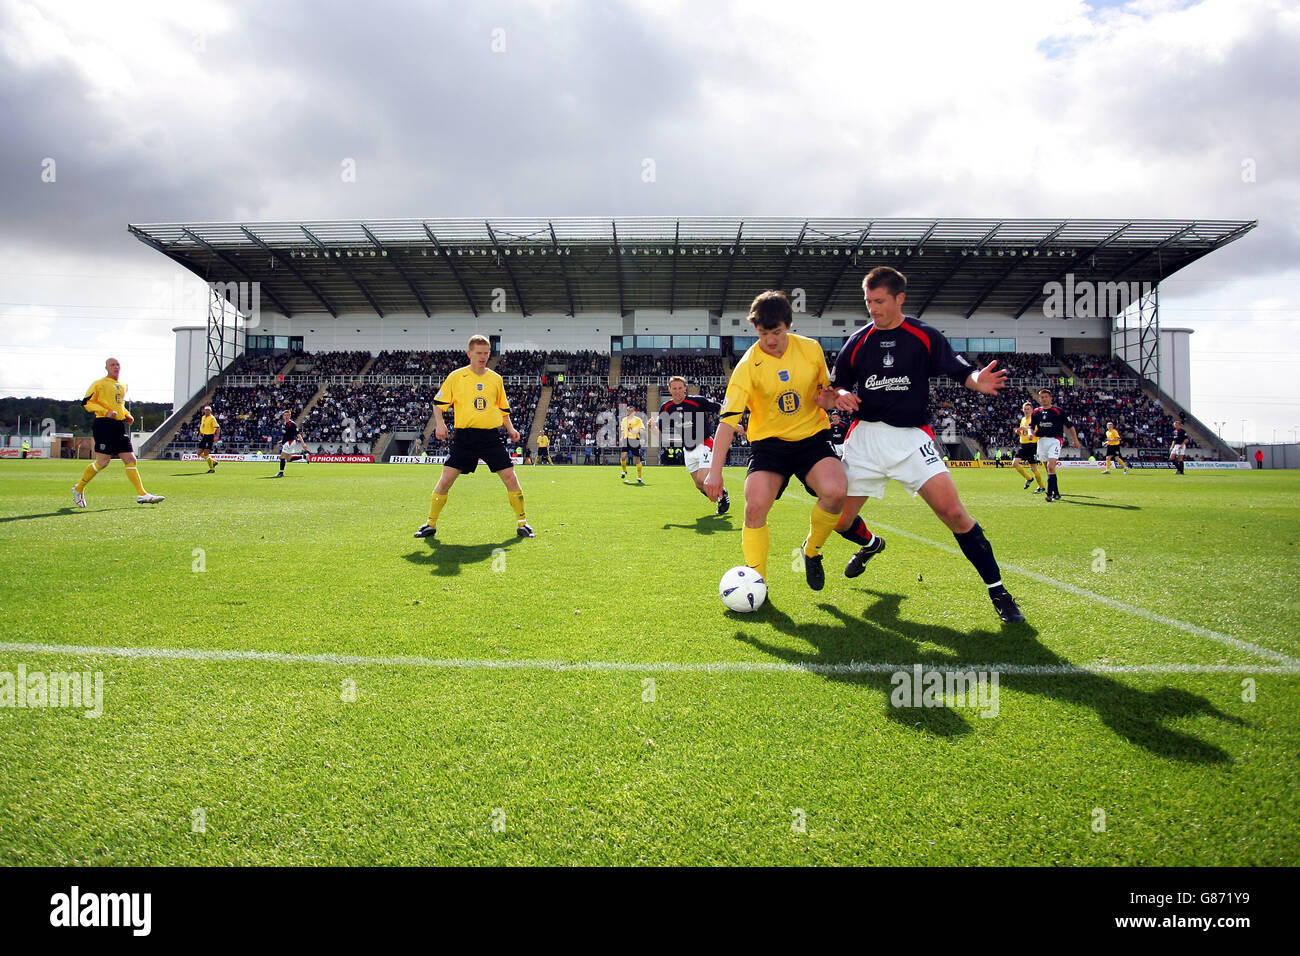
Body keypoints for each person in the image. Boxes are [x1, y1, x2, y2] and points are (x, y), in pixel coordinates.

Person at [825, 266, 1024, 624]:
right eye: (868, 301)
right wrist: (840, 394)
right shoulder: (857, 341)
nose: (873, 308)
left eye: (880, 301)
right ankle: (872, 545)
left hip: (911, 439)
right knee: (838, 521)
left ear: (900, 299)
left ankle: (1000, 593)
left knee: (955, 515)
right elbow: (833, 386)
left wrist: (978, 381)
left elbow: (963, 372)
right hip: (866, 438)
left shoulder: (924, 336)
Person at [703, 290, 846, 592]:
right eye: (764, 332)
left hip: (812, 438)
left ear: (789, 325)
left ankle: (811, 550)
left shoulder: (811, 350)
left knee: (836, 492)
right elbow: (728, 422)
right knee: (754, 507)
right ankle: (758, 583)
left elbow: (825, 395)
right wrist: (715, 473)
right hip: (770, 446)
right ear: (755, 328)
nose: (770, 339)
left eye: (777, 332)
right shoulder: (746, 367)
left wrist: (830, 399)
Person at [414, 335, 534, 539]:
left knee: (510, 478)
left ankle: (523, 523)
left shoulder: (496, 379)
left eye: (486, 353)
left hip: (490, 437)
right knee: (446, 480)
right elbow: (438, 404)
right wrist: (441, 424)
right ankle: (430, 523)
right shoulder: (456, 377)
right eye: (479, 353)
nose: (483, 357)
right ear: (469, 354)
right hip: (465, 438)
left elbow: (503, 409)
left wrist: (511, 429)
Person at [72, 357, 165, 506]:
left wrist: (126, 413)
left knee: (131, 459)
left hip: (118, 426)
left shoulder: (123, 385)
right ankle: (79, 487)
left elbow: (118, 404)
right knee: (103, 462)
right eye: (112, 365)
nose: (116, 367)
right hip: (103, 424)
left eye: (117, 365)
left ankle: (142, 494)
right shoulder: (99, 384)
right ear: (107, 367)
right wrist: (104, 411)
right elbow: (86, 403)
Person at [653, 375, 730, 516]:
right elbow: (659, 430)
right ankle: (722, 496)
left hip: (705, 444)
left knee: (703, 479)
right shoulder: (667, 407)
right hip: (687, 449)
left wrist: (733, 422)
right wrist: (651, 426)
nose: (677, 391)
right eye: (674, 388)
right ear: (669, 390)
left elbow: (719, 408)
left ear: (685, 389)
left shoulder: (697, 401)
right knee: (699, 485)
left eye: (680, 388)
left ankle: (721, 494)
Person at [1029, 388, 1081, 501]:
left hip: (1055, 440)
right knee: (1049, 470)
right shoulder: (1036, 412)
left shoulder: (1058, 411)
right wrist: (1030, 433)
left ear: (1050, 398)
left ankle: (1049, 494)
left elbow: (1070, 425)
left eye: (1046, 397)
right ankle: (1056, 493)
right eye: (1041, 397)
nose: (1043, 399)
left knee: (1051, 467)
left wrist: (1075, 439)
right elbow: (1031, 426)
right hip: (1042, 441)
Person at [1012, 402, 1046, 493]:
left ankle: (1041, 486)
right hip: (1023, 445)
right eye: (1025, 409)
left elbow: (1037, 432)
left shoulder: (1034, 419)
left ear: (1032, 410)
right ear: (1022, 410)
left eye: (1028, 409)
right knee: (1015, 463)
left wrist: (1025, 429)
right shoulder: (1023, 419)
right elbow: (1023, 432)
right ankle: (1029, 478)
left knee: (1033, 468)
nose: (1026, 411)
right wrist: (1018, 431)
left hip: (1032, 445)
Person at [272, 410, 310, 477]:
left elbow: (298, 434)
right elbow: (286, 434)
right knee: (289, 459)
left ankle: (281, 473)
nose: (286, 416)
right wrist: (282, 441)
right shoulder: (284, 424)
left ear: (290, 416)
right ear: (283, 416)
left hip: (290, 442)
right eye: (285, 415)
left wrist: (303, 443)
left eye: (288, 415)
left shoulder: (292, 424)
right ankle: (304, 456)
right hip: (287, 442)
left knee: (282, 457)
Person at [620, 406, 647, 483]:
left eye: (631, 411)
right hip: (626, 439)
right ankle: (624, 471)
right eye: (628, 411)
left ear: (634, 412)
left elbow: (642, 430)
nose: (630, 412)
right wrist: (622, 437)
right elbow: (623, 430)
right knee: (623, 457)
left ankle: (639, 477)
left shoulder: (638, 420)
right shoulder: (624, 420)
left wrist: (636, 431)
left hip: (635, 440)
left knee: (637, 459)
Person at [197, 404, 221, 473]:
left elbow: (218, 427)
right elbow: (202, 427)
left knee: (206, 453)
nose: (207, 411)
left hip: (210, 436)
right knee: (199, 452)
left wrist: (217, 436)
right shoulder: (203, 417)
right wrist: (200, 434)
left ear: (210, 411)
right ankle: (213, 462)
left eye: (208, 410)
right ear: (204, 411)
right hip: (204, 436)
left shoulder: (212, 418)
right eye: (206, 410)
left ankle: (212, 469)